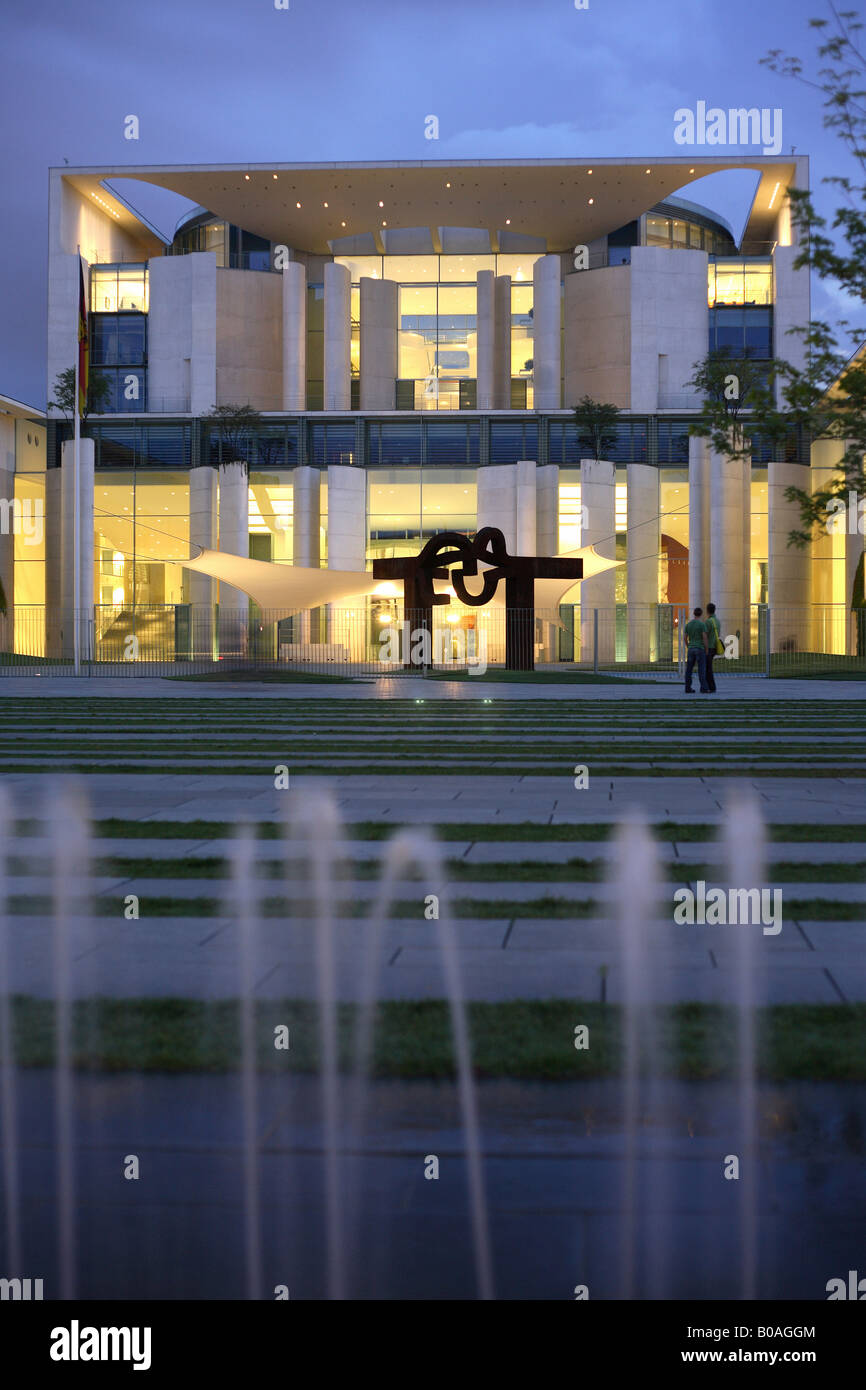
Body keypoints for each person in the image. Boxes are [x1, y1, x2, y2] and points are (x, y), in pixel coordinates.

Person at [683, 606, 709, 693]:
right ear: (701, 614)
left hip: (691, 648)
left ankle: (687, 687)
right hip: (700, 648)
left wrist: (688, 645)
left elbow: (685, 637)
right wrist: (706, 649)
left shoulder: (688, 624)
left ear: (694, 614)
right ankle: (704, 688)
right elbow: (705, 638)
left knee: (689, 670)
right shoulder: (702, 625)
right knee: (701, 669)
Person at [704, 602, 721, 693]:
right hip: (715, 646)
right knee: (708, 667)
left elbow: (705, 635)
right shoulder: (717, 621)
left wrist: (705, 648)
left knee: (707, 668)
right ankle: (710, 686)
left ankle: (711, 687)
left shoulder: (708, 622)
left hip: (709, 647)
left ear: (707, 611)